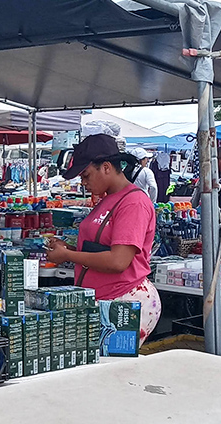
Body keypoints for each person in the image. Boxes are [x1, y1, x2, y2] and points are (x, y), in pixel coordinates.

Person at [46, 134, 162, 343]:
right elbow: (99, 248)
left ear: (106, 167)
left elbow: (118, 261)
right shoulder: (107, 199)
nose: (83, 183)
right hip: (105, 299)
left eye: (86, 175)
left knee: (114, 370)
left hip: (125, 301)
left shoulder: (133, 202)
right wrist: (69, 248)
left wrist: (69, 255)